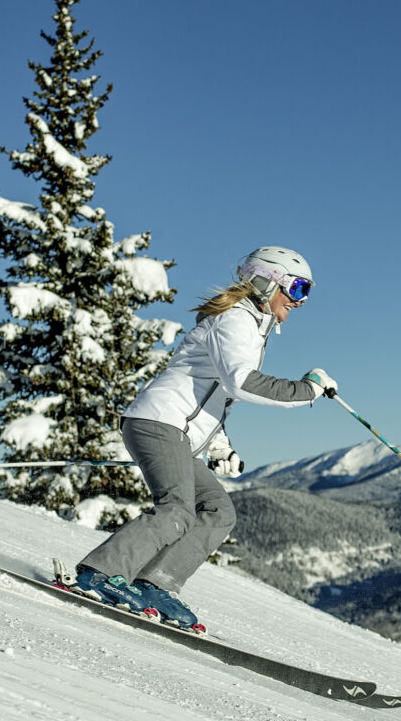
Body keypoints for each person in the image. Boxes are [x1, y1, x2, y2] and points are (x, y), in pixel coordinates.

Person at [73, 246, 337, 630]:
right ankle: (101, 571)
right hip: (158, 422)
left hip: (178, 429)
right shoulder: (236, 319)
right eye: (297, 289)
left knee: (218, 510)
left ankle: (155, 582)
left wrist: (218, 445)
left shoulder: (253, 325)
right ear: (267, 282)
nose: (300, 301)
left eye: (305, 291)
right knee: (177, 509)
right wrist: (305, 391)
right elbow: (241, 382)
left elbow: (215, 395)